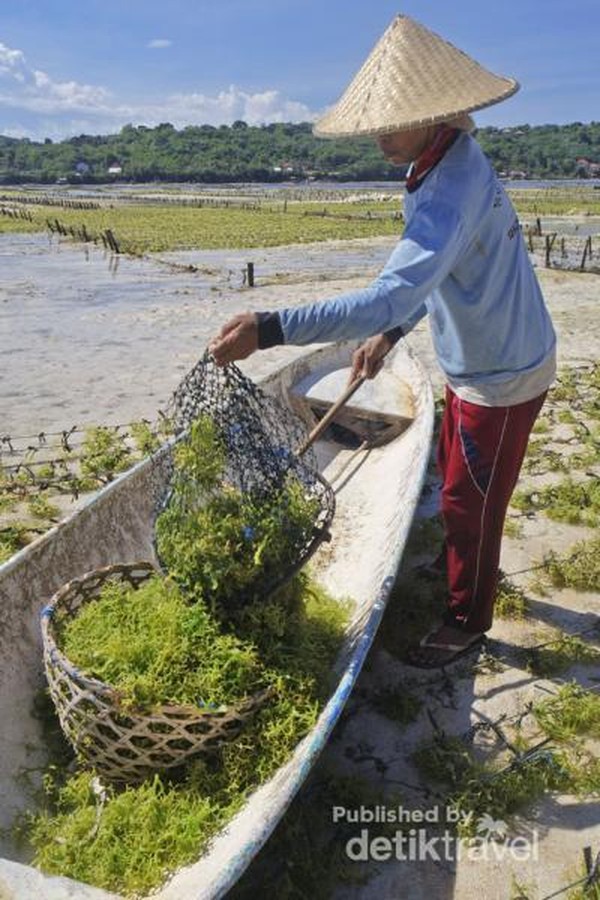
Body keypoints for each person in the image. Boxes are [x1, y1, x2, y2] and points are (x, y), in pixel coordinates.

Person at [209, 14, 556, 668]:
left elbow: (392, 291)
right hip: (475, 359)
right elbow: (436, 274)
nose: (378, 137)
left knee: (470, 498)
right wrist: (391, 332)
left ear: (435, 114)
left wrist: (271, 328)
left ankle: (468, 620)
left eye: (390, 122)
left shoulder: (448, 188)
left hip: (506, 372)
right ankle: (456, 556)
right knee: (458, 478)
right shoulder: (444, 160)